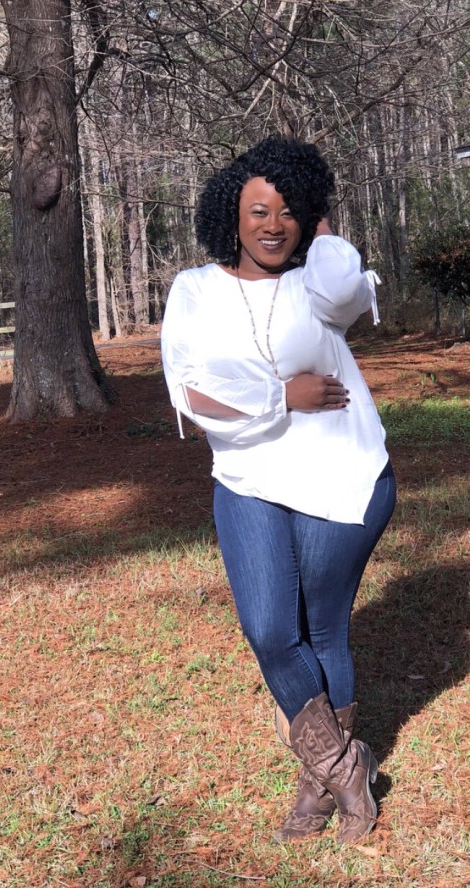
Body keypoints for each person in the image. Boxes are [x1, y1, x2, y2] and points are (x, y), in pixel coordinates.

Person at [161, 135, 396, 844]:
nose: (273, 224)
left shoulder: (312, 284)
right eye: (259, 209)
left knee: (322, 628)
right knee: (270, 629)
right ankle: (348, 768)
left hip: (341, 476)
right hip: (247, 477)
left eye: (290, 211)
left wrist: (324, 235)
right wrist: (282, 397)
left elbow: (349, 290)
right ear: (229, 216)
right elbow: (193, 390)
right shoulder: (195, 290)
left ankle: (317, 784)